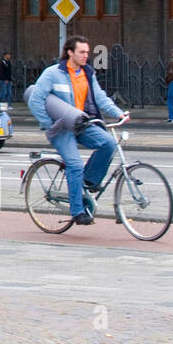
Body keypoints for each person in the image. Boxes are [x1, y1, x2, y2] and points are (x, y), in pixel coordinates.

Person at [28, 36, 130, 226]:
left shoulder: (87, 73)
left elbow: (100, 98)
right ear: (70, 53)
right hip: (60, 128)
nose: (86, 56)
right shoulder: (53, 73)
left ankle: (88, 183)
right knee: (74, 164)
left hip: (81, 123)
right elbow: (35, 100)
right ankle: (78, 212)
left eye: (87, 52)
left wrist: (118, 113)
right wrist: (47, 123)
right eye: (82, 52)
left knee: (108, 143)